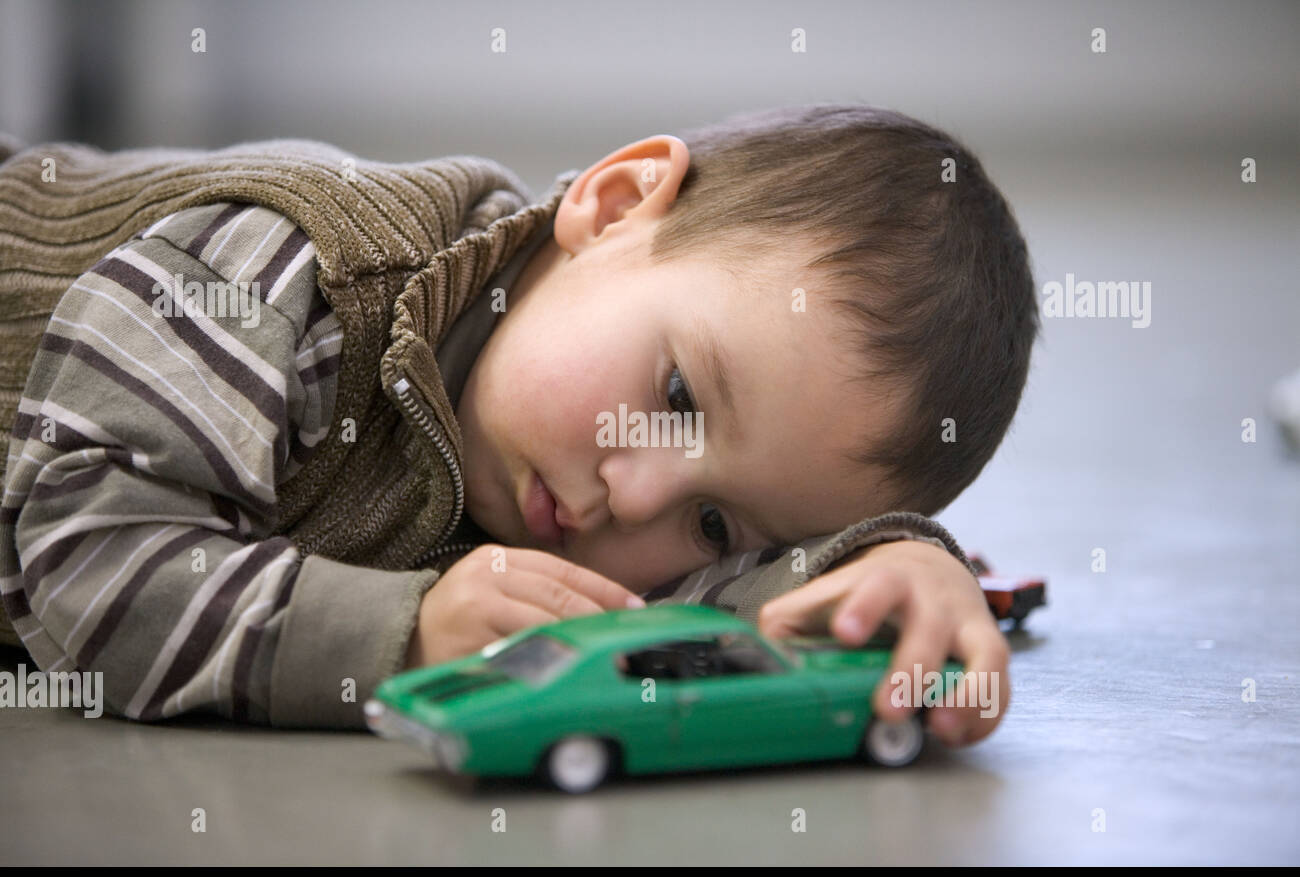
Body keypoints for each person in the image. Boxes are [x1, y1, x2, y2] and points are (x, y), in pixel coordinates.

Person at [0, 104, 1035, 745]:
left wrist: (893, 565)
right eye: (676, 398)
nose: (633, 496)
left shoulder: (566, 479)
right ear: (618, 202)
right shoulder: (289, 281)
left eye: (713, 522)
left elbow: (739, 588)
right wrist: (397, 635)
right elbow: (90, 564)